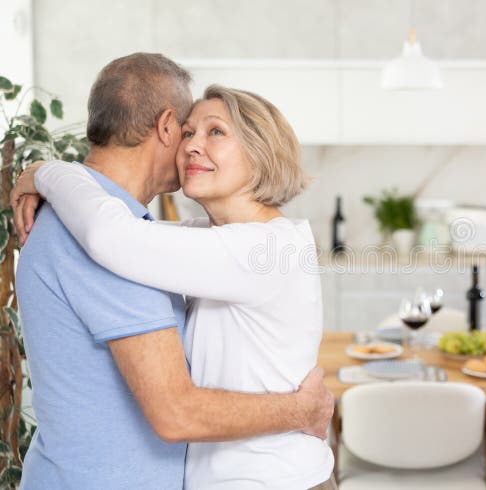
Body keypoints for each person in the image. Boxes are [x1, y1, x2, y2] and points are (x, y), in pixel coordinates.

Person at [12, 53, 334, 489]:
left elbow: (110, 233)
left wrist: (47, 172)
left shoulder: (260, 248)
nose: (191, 146)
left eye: (214, 132)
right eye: (188, 131)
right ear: (166, 128)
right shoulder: (191, 241)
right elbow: (111, 231)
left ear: (259, 152)